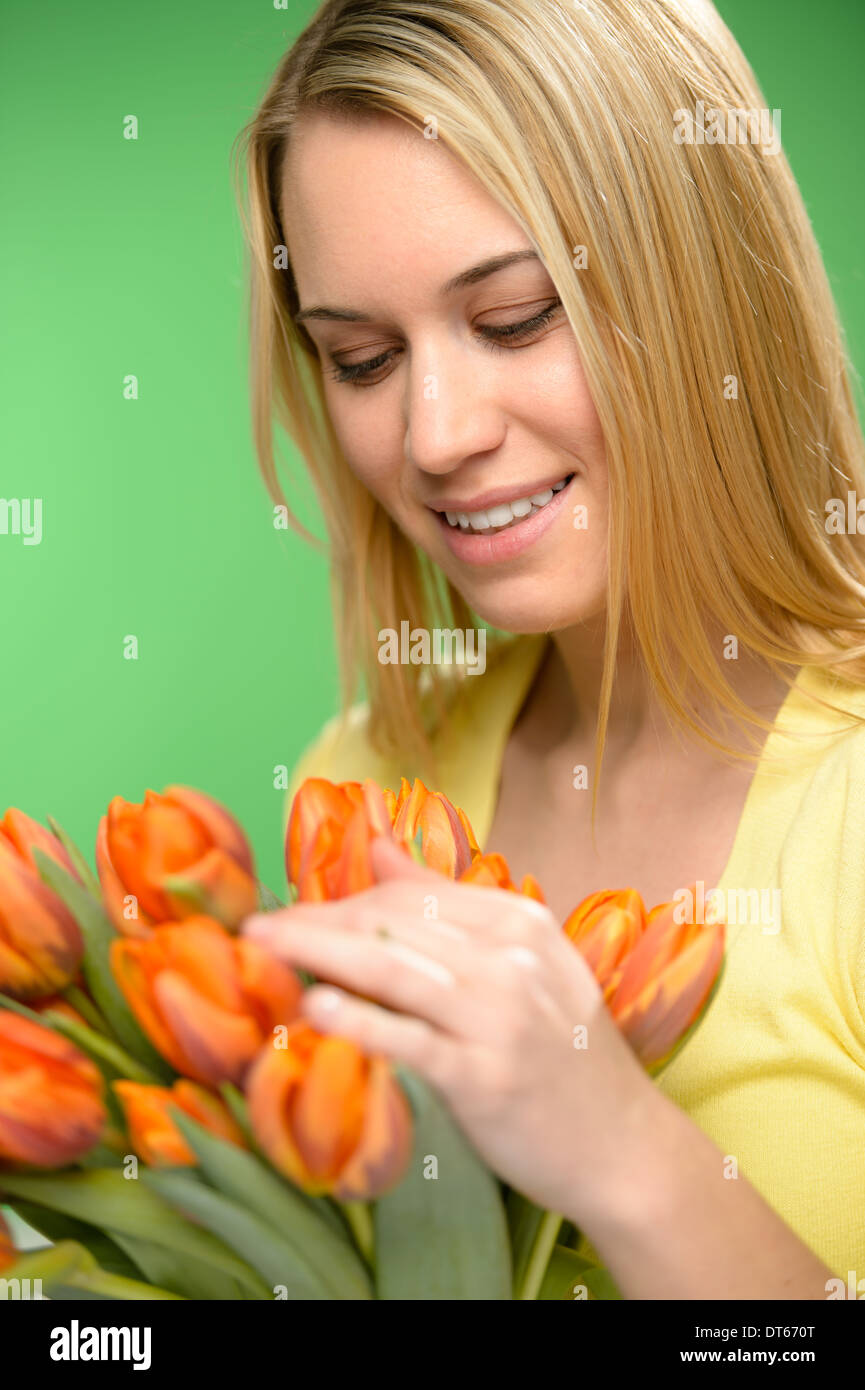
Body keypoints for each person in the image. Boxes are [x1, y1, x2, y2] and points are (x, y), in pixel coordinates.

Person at [235, 0, 865, 1298]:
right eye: (359, 357)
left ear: (712, 283)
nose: (435, 433)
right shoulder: (365, 776)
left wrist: (622, 1148)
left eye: (517, 316)